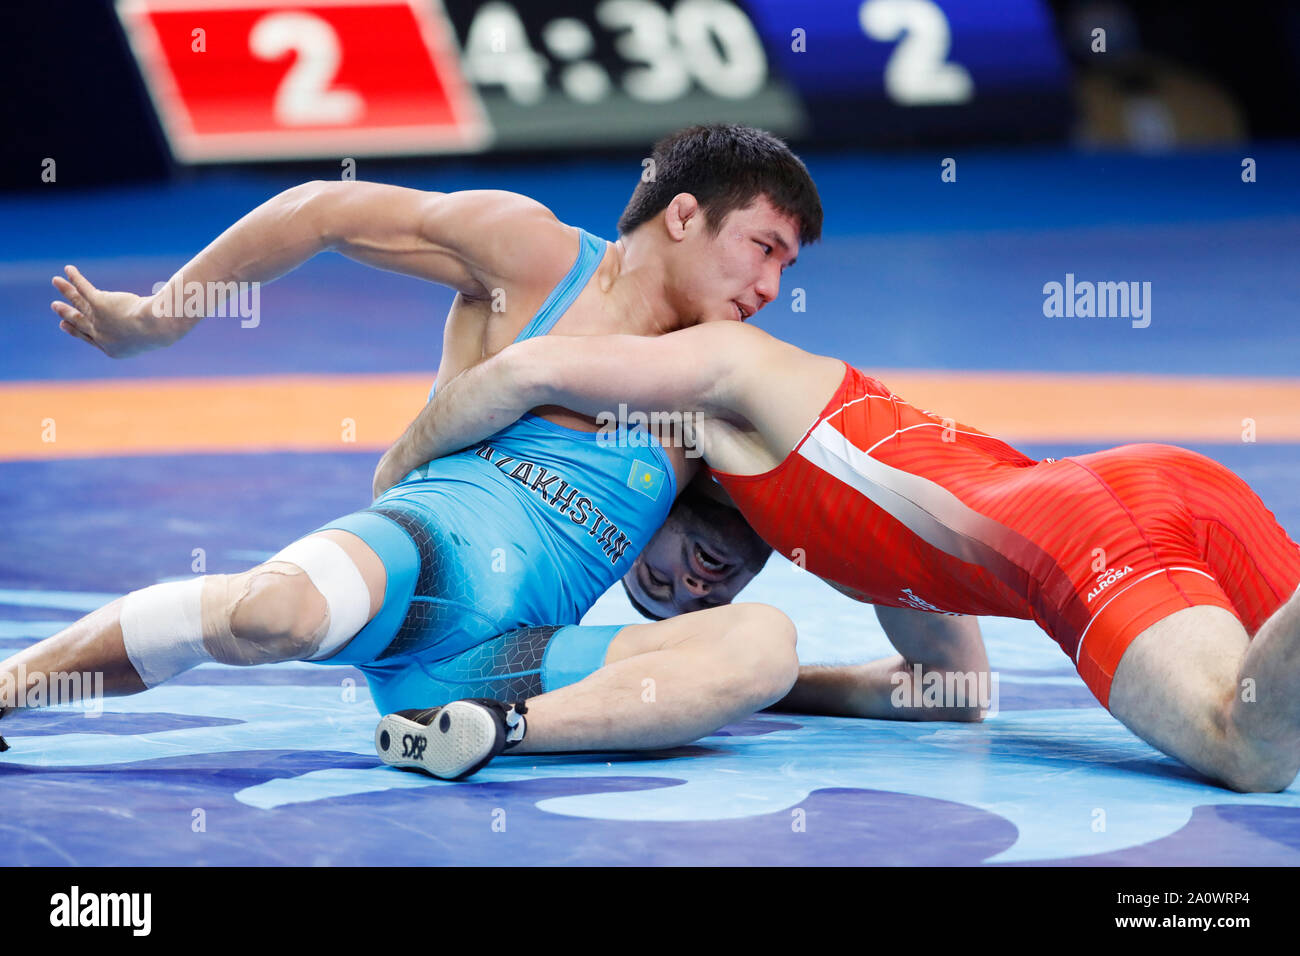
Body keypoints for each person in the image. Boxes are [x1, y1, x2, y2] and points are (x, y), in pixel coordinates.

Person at [2, 126, 821, 778]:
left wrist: (927, 623)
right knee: (271, 613)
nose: (772, 291)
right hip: (418, 559)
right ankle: (11, 686)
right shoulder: (535, 259)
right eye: (764, 248)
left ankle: (482, 735)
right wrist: (161, 318)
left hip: (512, 665)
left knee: (763, 644)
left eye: (787, 265)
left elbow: (862, 502)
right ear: (684, 215)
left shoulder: (723, 385)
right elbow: (324, 209)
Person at [384, 318, 1300, 792]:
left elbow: (526, 370)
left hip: (1094, 536)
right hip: (1165, 494)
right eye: (688, 608)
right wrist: (741, 681)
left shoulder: (729, 402)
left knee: (1244, 747)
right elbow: (953, 695)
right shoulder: (854, 549)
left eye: (655, 573)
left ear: (647, 509)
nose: (690, 588)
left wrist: (401, 483)